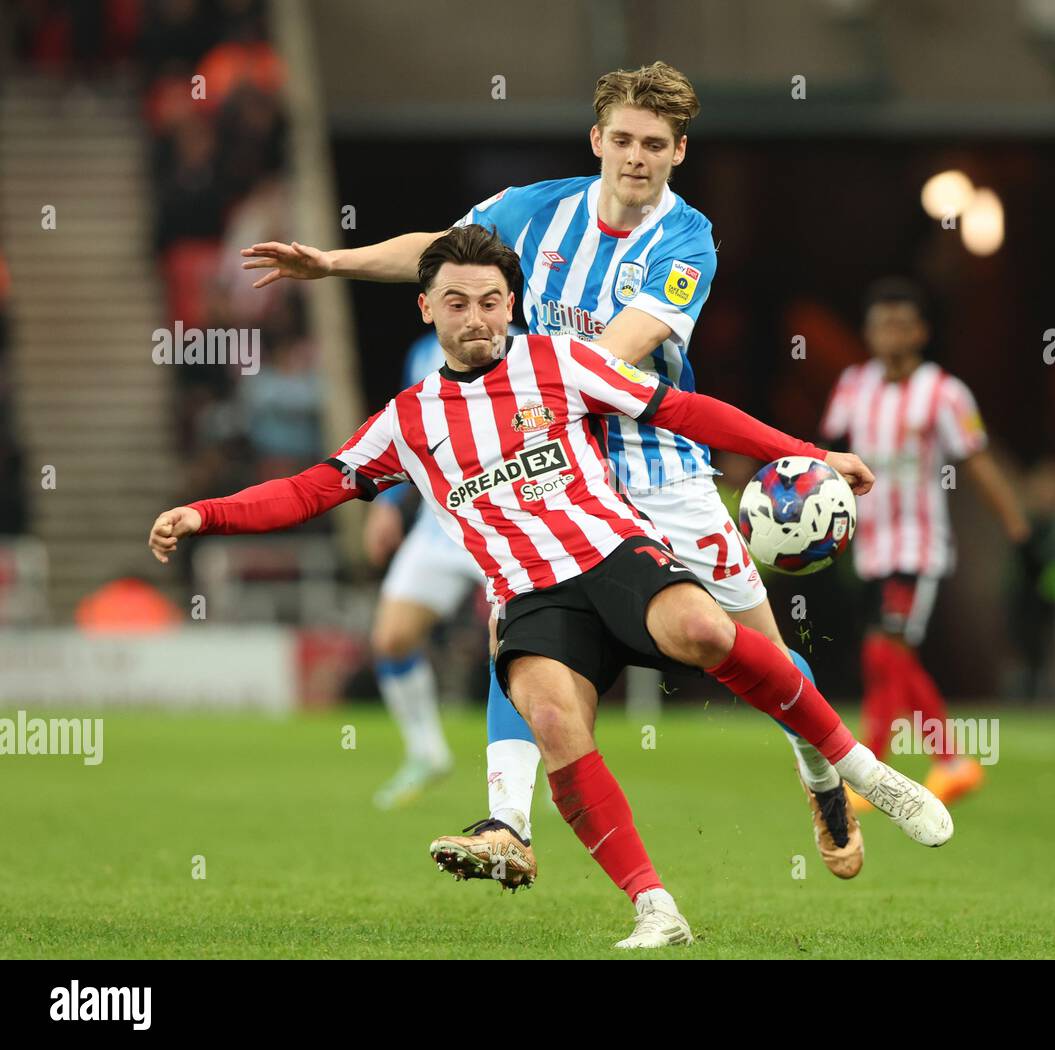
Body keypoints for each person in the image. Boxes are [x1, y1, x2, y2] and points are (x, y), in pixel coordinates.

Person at [151, 225, 953, 949]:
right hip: (532, 599)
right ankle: (654, 908)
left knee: (709, 633)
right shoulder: (407, 419)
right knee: (553, 722)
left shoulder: (559, 361)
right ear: (426, 307)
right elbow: (309, 490)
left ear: (513, 304)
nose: (476, 319)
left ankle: (865, 773)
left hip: (616, 556)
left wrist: (804, 450)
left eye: (492, 302)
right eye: (457, 303)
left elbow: (688, 412)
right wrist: (205, 514)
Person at [239, 61, 863, 881]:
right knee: (518, 625)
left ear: (679, 152)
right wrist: (333, 263)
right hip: (553, 472)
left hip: (658, 468)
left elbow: (618, 356)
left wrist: (515, 398)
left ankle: (822, 778)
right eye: (624, 140)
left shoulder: (686, 239)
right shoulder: (533, 210)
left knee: (763, 654)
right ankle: (506, 822)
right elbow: (439, 255)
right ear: (597, 139)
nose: (636, 157)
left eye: (655, 144)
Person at [821, 279, 1029, 808]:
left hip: (918, 544)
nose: (891, 332)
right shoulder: (852, 385)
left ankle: (908, 763)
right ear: (867, 332)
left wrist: (1012, 517)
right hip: (866, 544)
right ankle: (922, 763)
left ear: (921, 331)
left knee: (887, 647)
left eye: (902, 322)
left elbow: (975, 456)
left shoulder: (946, 391)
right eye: (881, 322)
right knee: (882, 655)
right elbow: (826, 452)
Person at [364, 329, 492, 808]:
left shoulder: (527, 345)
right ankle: (426, 752)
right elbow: (407, 437)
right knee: (392, 637)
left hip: (508, 522)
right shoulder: (420, 352)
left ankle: (545, 766)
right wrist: (388, 503)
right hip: (441, 523)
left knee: (526, 650)